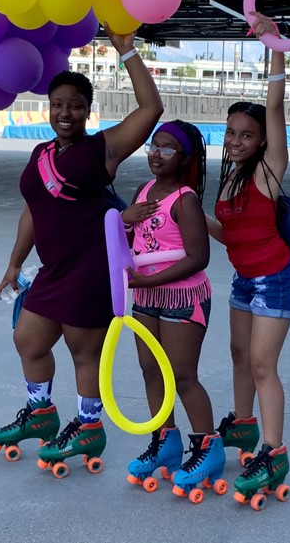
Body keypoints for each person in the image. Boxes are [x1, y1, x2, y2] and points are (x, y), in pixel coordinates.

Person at [0, 25, 164, 476]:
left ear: (88, 110)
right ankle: (41, 411)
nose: (65, 113)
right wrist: (14, 262)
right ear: (48, 108)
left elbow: (152, 109)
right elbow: (33, 210)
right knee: (28, 339)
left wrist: (126, 50)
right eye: (58, 105)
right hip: (52, 269)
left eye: (75, 106)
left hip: (92, 268)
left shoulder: (99, 151)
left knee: (82, 352)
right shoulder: (40, 153)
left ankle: (89, 427)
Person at [204, 12, 290, 507]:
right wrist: (190, 221)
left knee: (263, 365)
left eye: (246, 134)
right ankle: (243, 427)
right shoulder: (233, 178)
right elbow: (231, 235)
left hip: (276, 279)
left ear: (262, 141)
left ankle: (273, 450)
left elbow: (275, 106)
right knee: (239, 357)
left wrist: (274, 43)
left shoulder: (268, 172)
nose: (236, 140)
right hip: (244, 279)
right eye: (231, 132)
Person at [121, 119, 222, 499]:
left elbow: (199, 256)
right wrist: (123, 220)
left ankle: (206, 448)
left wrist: (147, 281)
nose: (156, 154)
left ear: (185, 158)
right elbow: (127, 242)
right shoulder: (142, 190)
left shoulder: (185, 199)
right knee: (151, 370)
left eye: (167, 149)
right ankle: (165, 441)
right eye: (153, 146)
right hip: (146, 297)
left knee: (182, 375)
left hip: (182, 296)